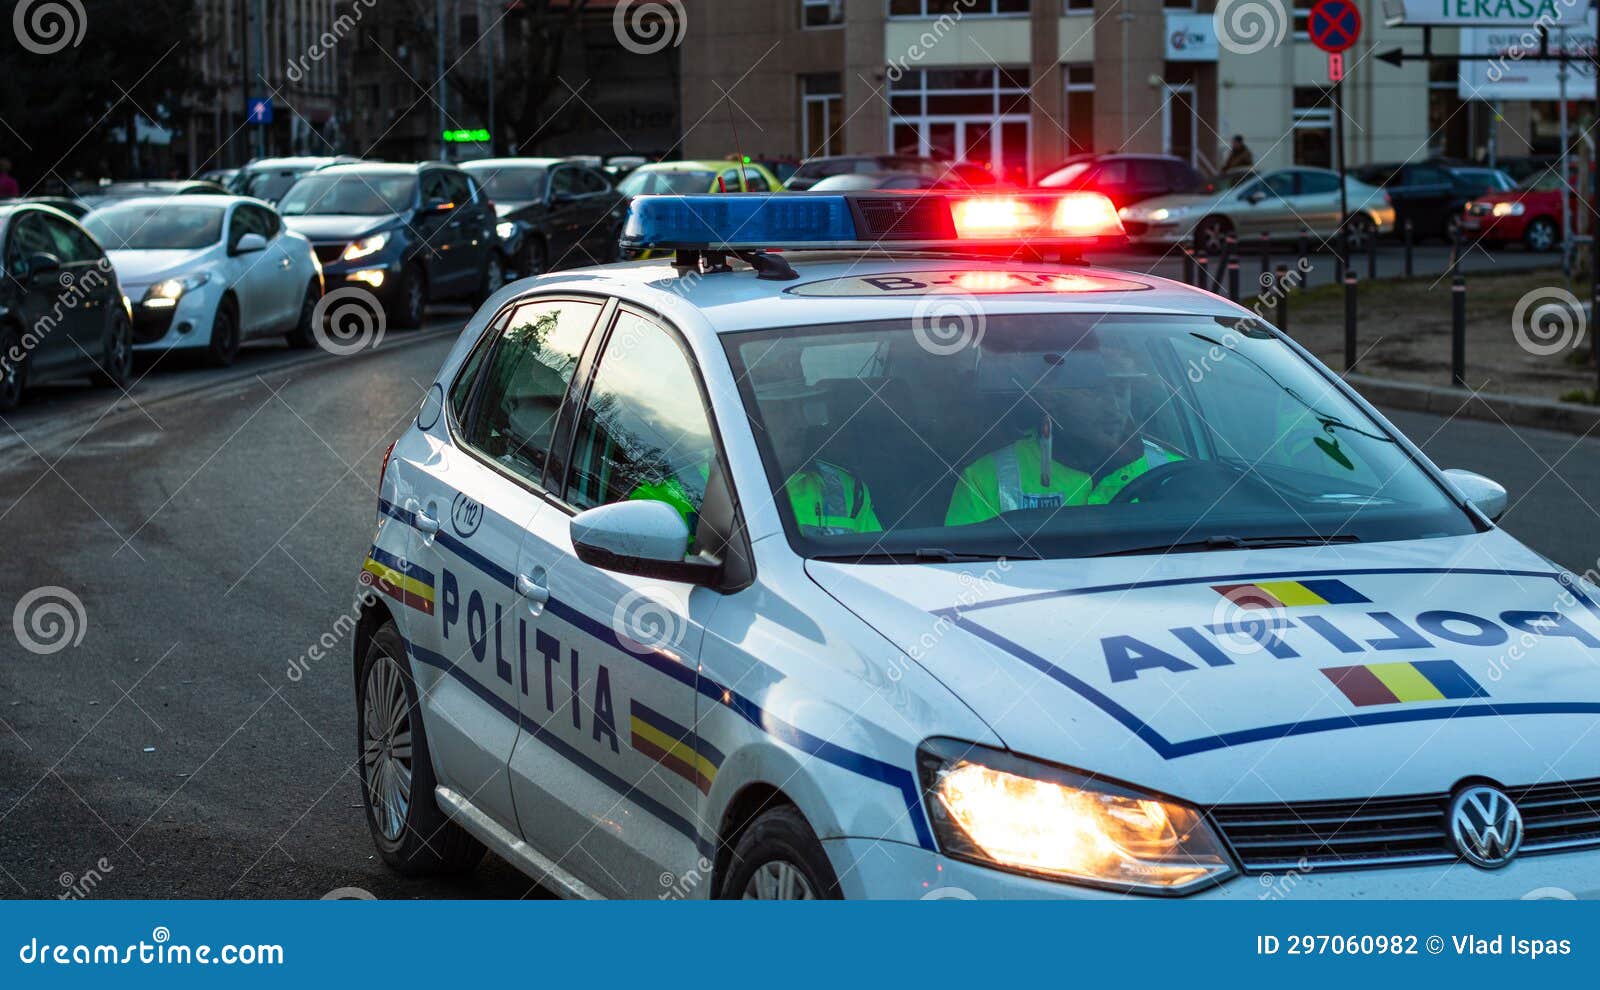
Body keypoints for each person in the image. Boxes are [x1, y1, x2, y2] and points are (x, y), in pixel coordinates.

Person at [631, 370, 881, 539]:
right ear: (743, 416)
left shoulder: (847, 490)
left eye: (800, 408)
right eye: (781, 410)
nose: (799, 422)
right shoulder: (671, 491)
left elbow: (876, 574)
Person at [945, 361, 1182, 526]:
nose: (1113, 405)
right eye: (1094, 392)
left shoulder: (1174, 473)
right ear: (1051, 399)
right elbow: (959, 576)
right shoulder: (987, 479)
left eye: (1121, 390)